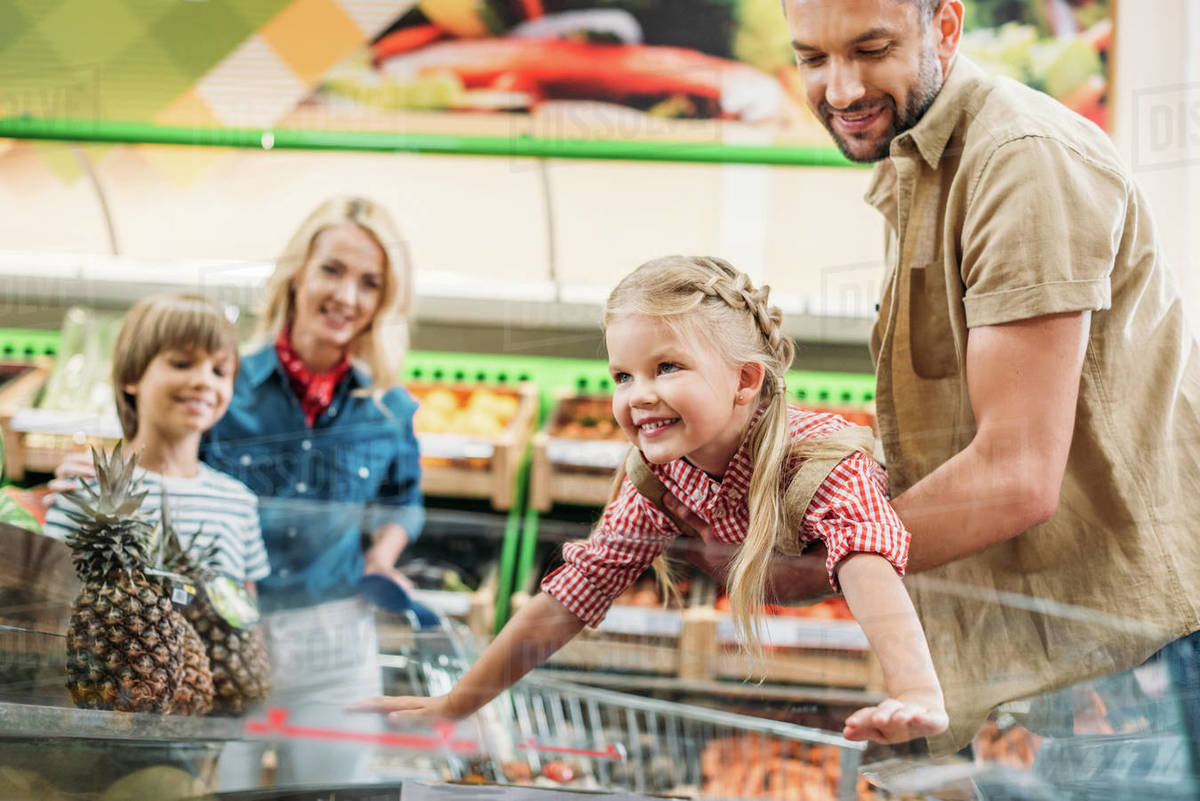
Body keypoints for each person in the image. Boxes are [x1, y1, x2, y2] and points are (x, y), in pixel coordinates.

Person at [675, 0, 1200, 756]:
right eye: (813, 58)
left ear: (946, 27)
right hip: (1054, 642)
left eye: (872, 48)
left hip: (1133, 657)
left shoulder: (1021, 161)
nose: (841, 90)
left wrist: (817, 564)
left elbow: (1018, 474)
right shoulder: (928, 159)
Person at [353, 255, 948, 745]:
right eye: (622, 376)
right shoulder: (665, 476)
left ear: (746, 381)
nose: (638, 395)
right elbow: (571, 596)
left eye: (667, 367)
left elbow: (867, 562)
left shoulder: (822, 461)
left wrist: (917, 691)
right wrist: (454, 703)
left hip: (953, 629)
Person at [53, 196, 424, 787]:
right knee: (214, 788)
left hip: (336, 641)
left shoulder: (389, 407)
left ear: (385, 299)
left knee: (336, 797)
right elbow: (161, 460)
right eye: (332, 270)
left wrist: (383, 556)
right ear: (298, 272)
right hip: (215, 634)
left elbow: (405, 498)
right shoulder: (224, 378)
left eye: (370, 282)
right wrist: (94, 477)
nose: (347, 296)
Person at [44, 294, 269, 598]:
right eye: (182, 363)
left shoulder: (238, 504)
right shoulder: (86, 488)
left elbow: (247, 621)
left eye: (219, 371)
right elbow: (48, 604)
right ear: (132, 376)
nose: (204, 381)